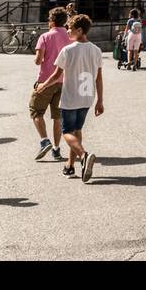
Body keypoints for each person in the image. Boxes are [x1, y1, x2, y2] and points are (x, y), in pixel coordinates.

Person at [37, 14, 104, 182]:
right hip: (87, 97)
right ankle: (70, 165)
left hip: (71, 96)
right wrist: (100, 100)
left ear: (79, 30)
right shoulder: (96, 50)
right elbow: (99, 78)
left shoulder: (68, 50)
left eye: (70, 28)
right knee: (77, 131)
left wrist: (43, 86)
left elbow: (56, 75)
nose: (67, 31)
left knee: (67, 131)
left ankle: (83, 155)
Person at [30, 7, 70, 162]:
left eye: (48, 19)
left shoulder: (45, 37)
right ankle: (56, 149)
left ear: (52, 21)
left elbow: (38, 60)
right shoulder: (69, 36)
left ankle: (44, 140)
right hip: (63, 81)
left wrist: (37, 57)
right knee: (57, 117)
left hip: (46, 80)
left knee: (36, 111)